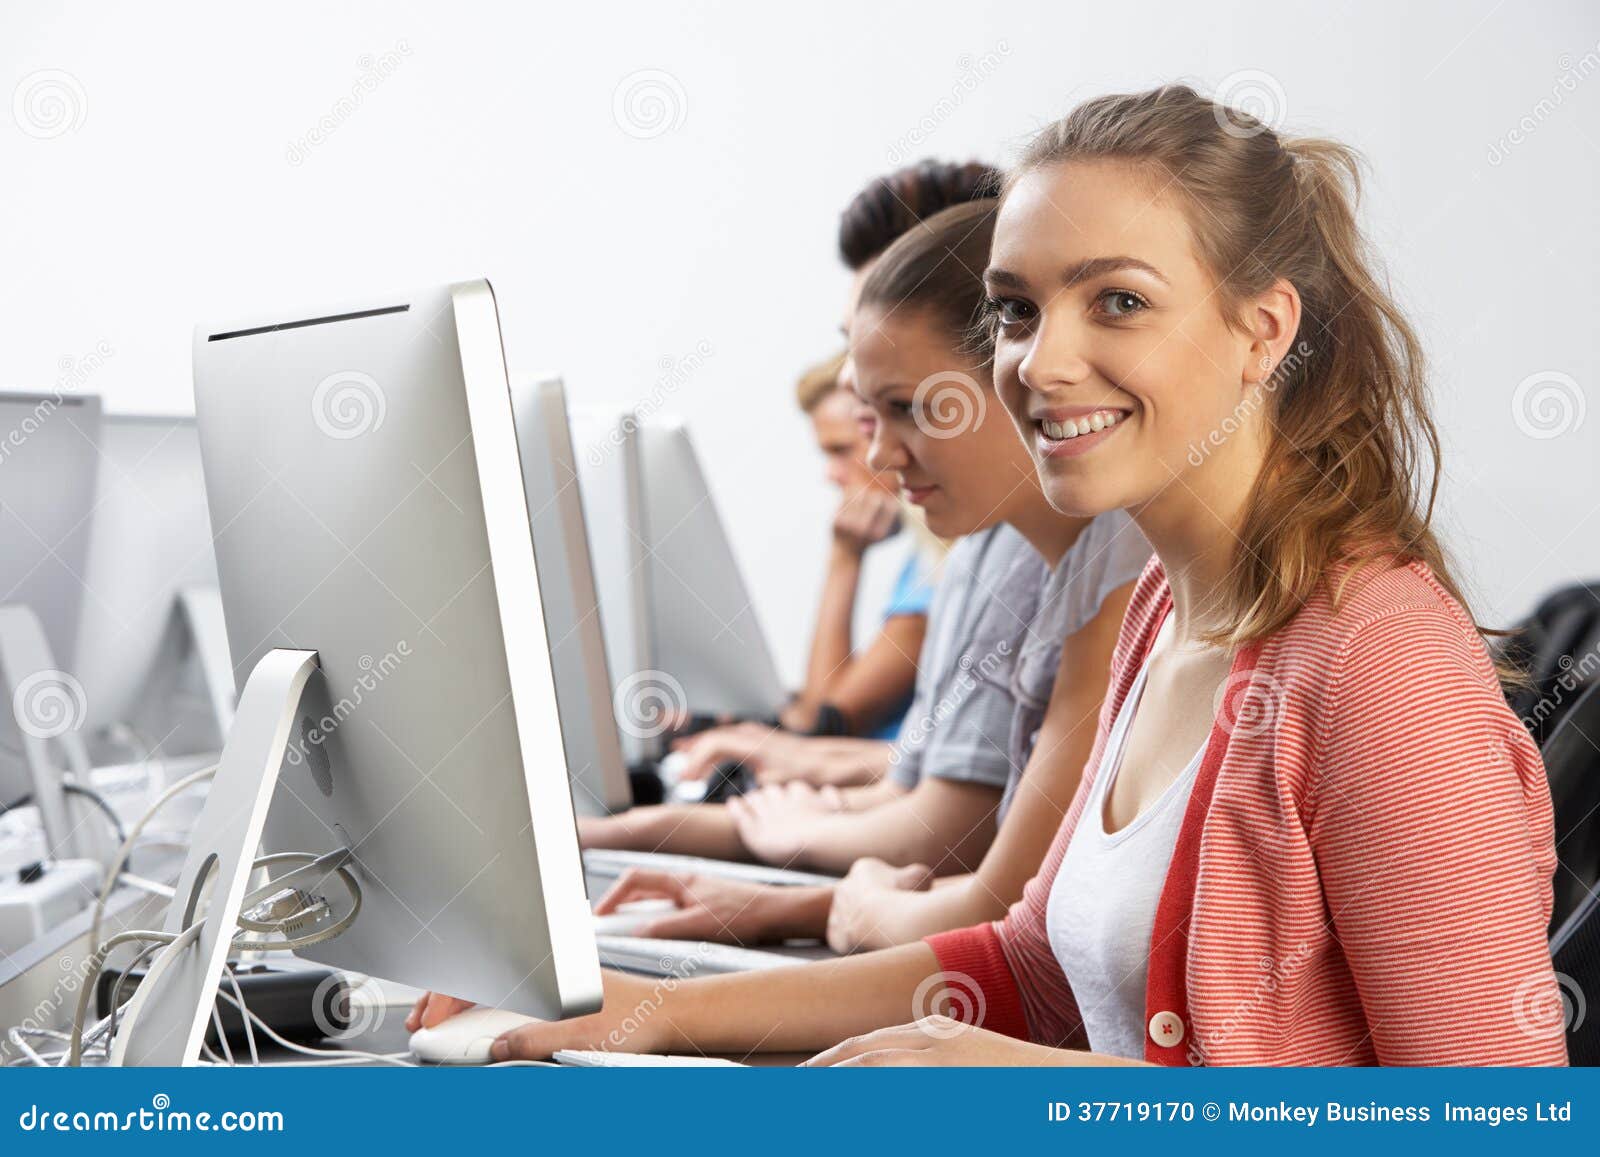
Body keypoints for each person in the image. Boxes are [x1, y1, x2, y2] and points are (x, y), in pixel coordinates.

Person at [413, 86, 1564, 1067]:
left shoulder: (1380, 663)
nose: (1040, 362)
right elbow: (1027, 965)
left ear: (1263, 330)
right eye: (1016, 309)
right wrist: (646, 1011)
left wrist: (1035, 1090)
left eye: (1118, 301)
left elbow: (1492, 1120)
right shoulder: (1165, 609)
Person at [589, 201, 1149, 947]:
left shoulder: (1106, 580)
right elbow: (995, 890)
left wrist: (811, 878)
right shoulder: (1074, 579)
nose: (877, 453)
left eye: (907, 406)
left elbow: (990, 900)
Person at [774, 352, 934, 741]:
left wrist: (845, 556)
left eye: (841, 450)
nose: (832, 474)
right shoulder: (921, 557)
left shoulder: (939, 567)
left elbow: (825, 720)